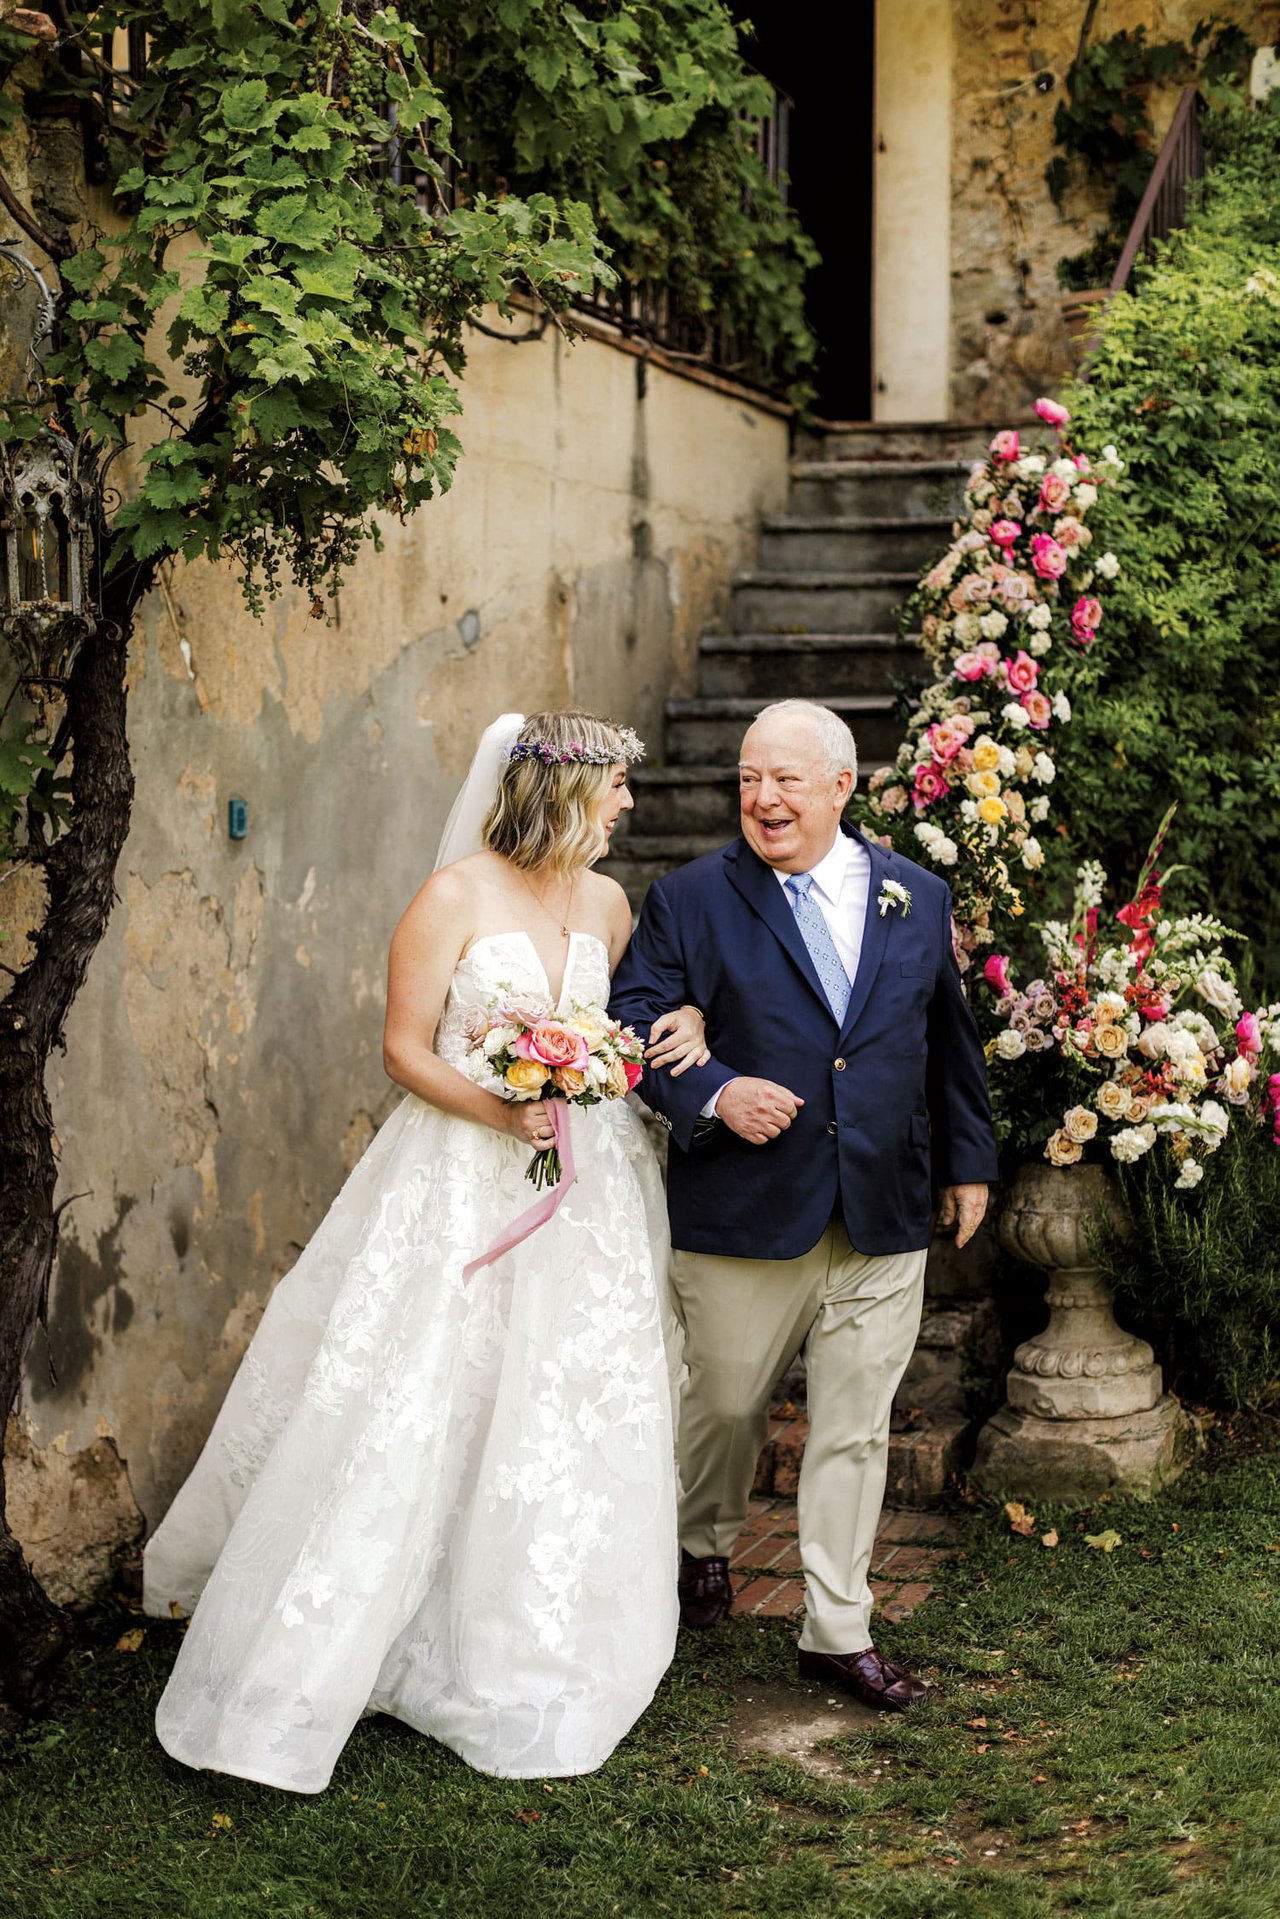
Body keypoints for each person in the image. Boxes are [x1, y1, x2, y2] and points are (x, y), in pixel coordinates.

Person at [143, 711, 709, 1791]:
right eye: (617, 787)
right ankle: (332, 1639)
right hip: (455, 1175)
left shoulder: (605, 902)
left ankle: (530, 1636)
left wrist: (651, 1036)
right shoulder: (452, 894)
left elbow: (609, 1028)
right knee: (419, 1388)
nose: (631, 804)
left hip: (579, 1185)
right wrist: (502, 1114)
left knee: (552, 1397)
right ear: (560, 790)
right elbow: (404, 1047)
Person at [609, 698, 997, 1712]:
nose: (761, 797)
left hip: (881, 1205)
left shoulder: (913, 894)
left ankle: (836, 1627)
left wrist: (968, 1165)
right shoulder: (689, 898)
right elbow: (627, 1021)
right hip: (743, 1207)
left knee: (853, 1426)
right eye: (746, 778)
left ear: (840, 786)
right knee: (727, 1402)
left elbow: (945, 1044)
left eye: (783, 778)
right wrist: (711, 1092)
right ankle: (699, 1540)